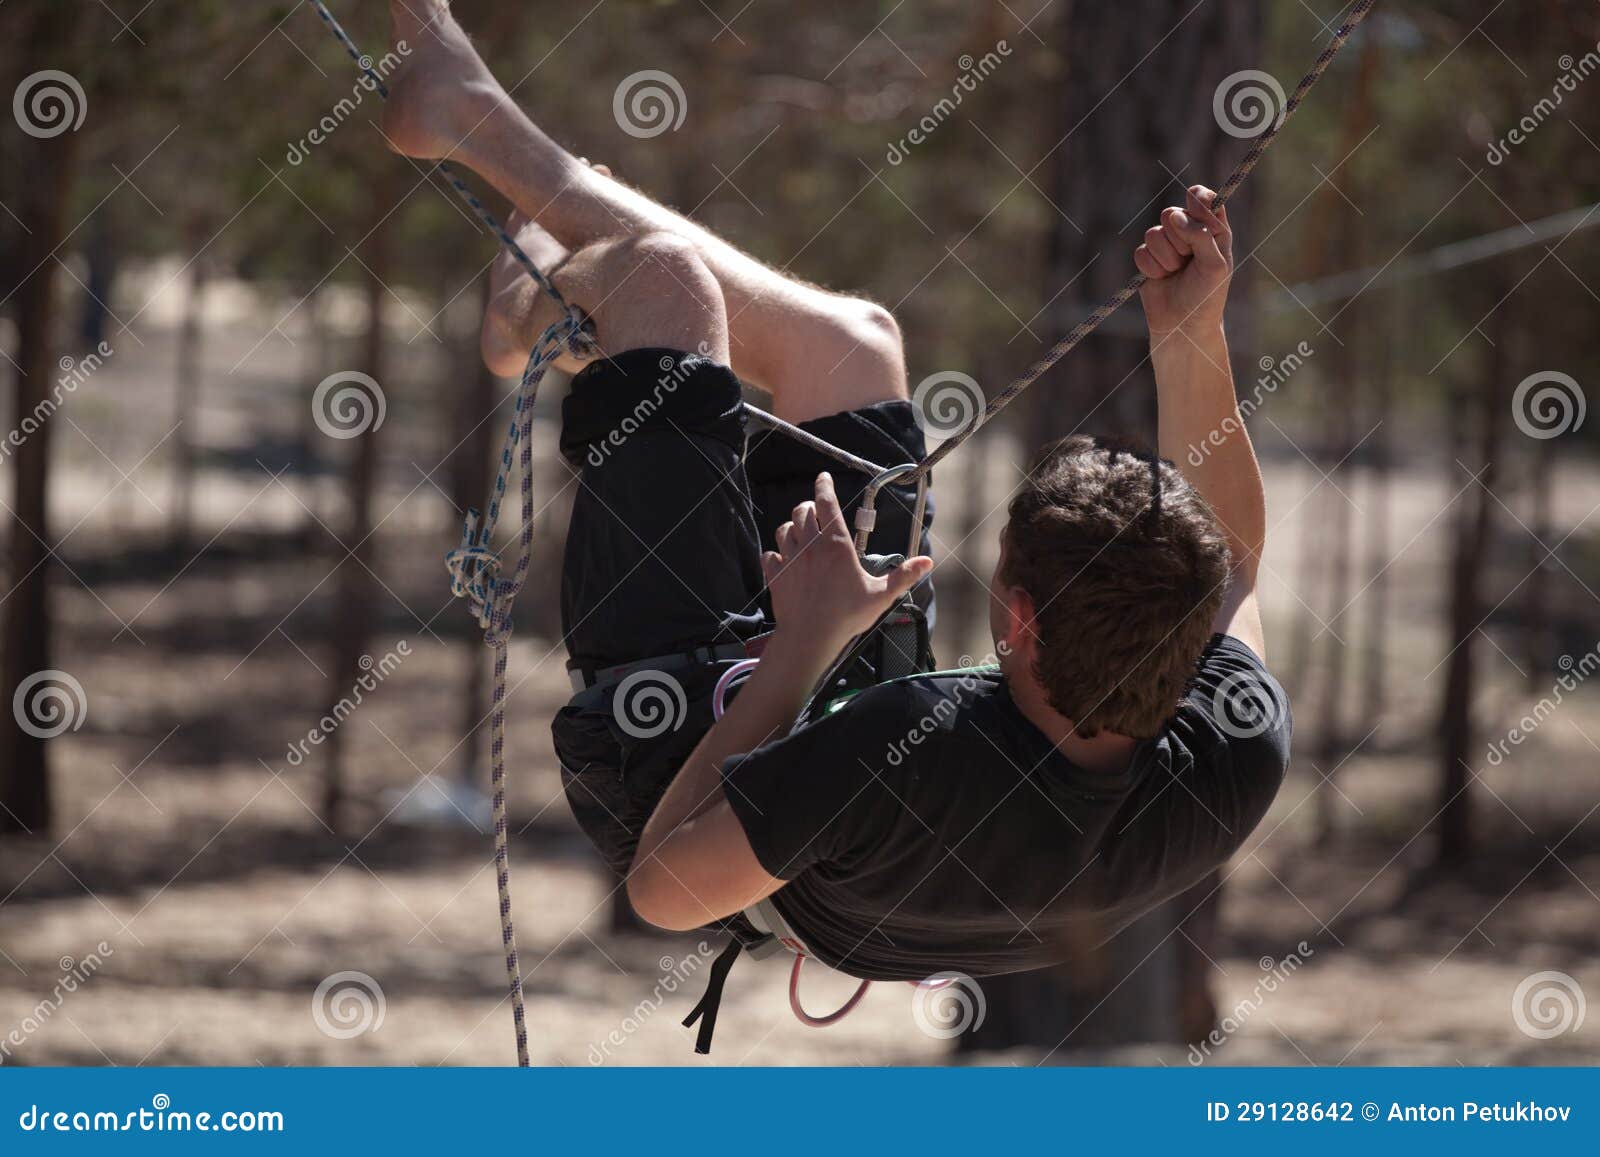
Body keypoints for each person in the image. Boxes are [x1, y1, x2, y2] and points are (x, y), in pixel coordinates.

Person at [383, 2, 1288, 992]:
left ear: (1019, 615)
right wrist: (1188, 329)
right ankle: (476, 125)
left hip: (683, 770)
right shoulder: (1224, 751)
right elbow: (1234, 552)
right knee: (854, 343)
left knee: (664, 285)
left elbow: (662, 886)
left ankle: (524, 288)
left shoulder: (896, 755)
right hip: (856, 766)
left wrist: (799, 647)